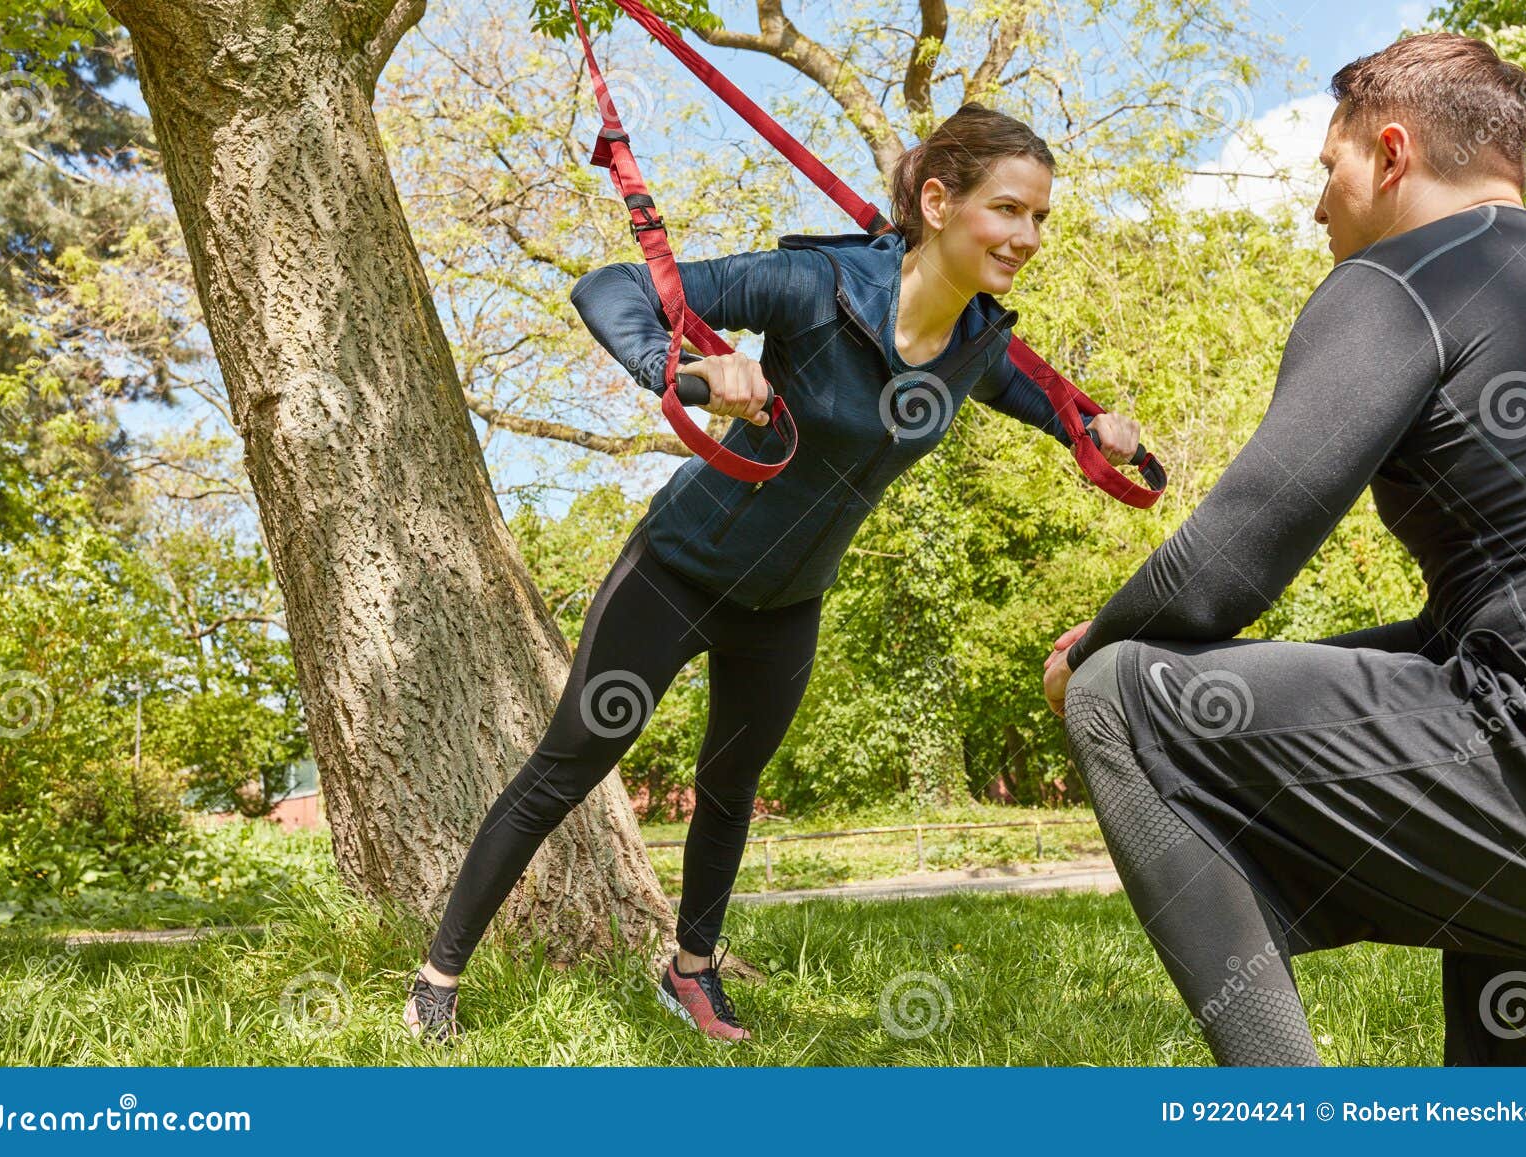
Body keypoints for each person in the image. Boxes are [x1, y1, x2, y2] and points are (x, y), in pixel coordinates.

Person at [403, 102, 1145, 1044]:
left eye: (1040, 218)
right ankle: (435, 980)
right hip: (678, 569)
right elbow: (613, 286)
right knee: (568, 766)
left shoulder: (978, 342)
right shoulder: (816, 284)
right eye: (1009, 210)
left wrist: (1092, 426)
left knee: (730, 784)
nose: (1027, 237)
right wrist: (690, 372)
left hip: (788, 603)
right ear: (937, 201)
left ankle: (693, 970)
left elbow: (1032, 394)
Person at [1043, 32, 1526, 1066]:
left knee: (1120, 690)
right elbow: (1476, 625)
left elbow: (1232, 555)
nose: (1318, 205)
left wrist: (1090, 644)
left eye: (1327, 170)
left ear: (1391, 153)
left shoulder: (1402, 276)